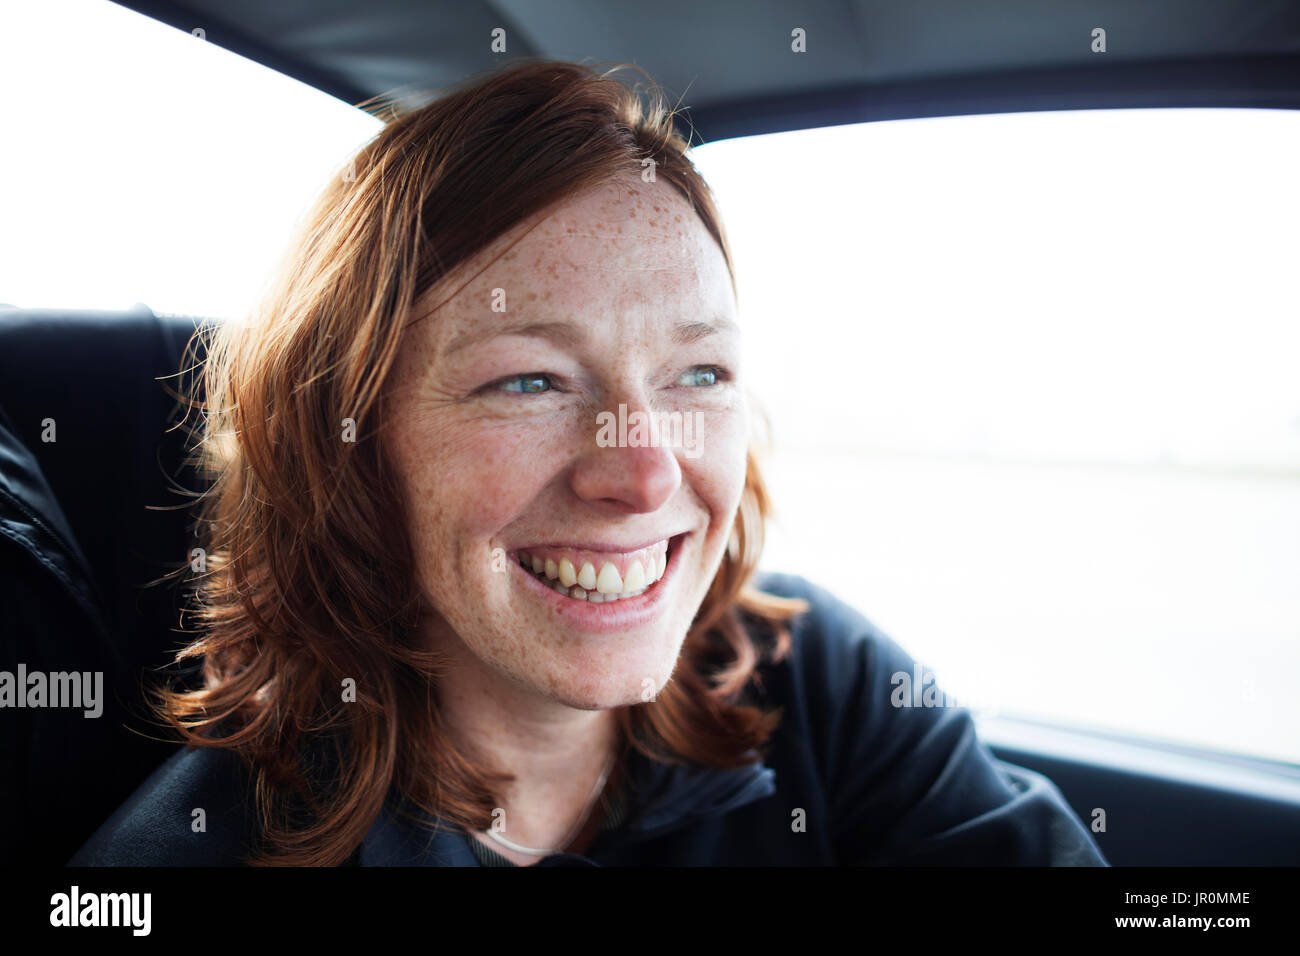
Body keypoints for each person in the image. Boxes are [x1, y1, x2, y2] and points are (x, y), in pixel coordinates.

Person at [70, 59, 1106, 867]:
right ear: (348, 444)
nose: (645, 474)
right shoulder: (199, 851)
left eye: (697, 373)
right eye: (531, 382)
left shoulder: (813, 678)